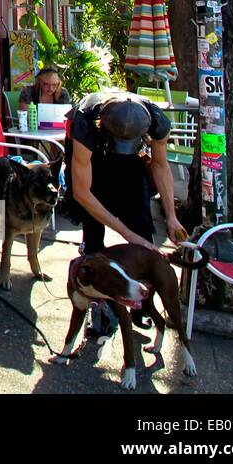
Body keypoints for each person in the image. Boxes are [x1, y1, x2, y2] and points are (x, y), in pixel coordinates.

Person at [64, 90, 188, 343]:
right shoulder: (86, 123)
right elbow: (82, 193)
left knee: (144, 240)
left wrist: (171, 216)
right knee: (94, 241)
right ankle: (99, 308)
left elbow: (160, 165)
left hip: (133, 166)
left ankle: (140, 305)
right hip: (93, 165)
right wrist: (124, 232)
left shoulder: (156, 120)